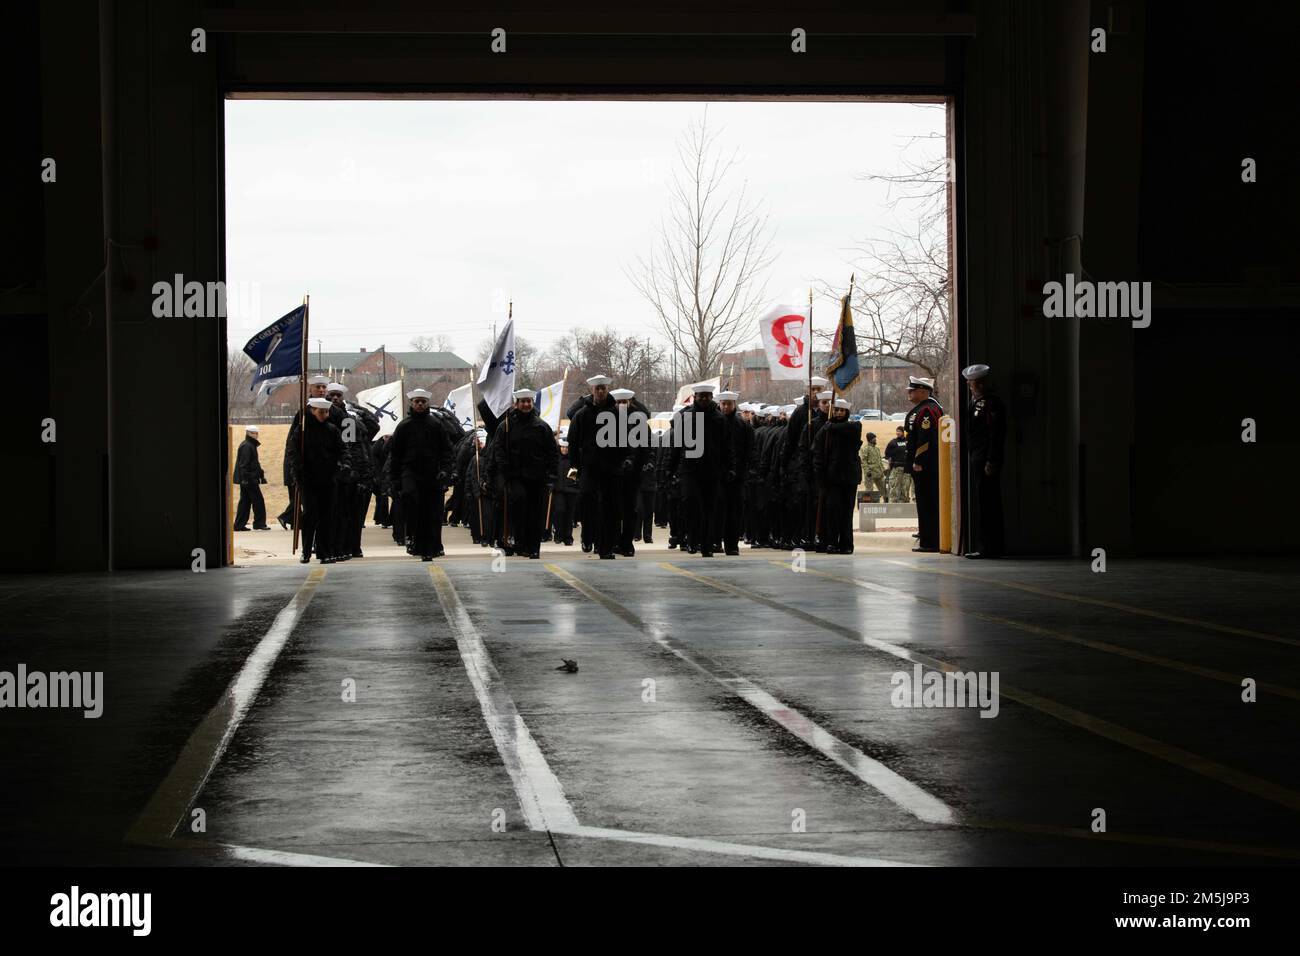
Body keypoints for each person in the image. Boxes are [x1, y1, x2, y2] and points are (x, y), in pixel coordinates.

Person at [485, 388, 558, 559]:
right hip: (515, 477)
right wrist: (506, 471)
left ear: (532, 403)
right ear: (516, 404)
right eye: (522, 401)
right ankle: (518, 541)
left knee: (535, 513)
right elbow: (499, 450)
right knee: (519, 505)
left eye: (528, 401)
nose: (526, 404)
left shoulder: (542, 426)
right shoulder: (506, 426)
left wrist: (552, 476)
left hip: (537, 478)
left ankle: (533, 548)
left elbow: (552, 453)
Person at [389, 388, 453, 561]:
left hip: (432, 473)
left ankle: (430, 546)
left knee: (431, 512)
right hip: (410, 472)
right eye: (417, 401)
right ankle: (414, 539)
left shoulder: (436, 425)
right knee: (411, 502)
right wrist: (395, 480)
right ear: (412, 403)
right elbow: (395, 455)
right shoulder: (403, 426)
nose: (420, 404)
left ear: (427, 404)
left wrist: (445, 471)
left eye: (423, 402)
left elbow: (447, 451)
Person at [567, 374, 623, 559]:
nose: (600, 391)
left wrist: (624, 461)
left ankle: (604, 546)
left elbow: (625, 441)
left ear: (607, 391)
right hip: (588, 470)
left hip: (611, 469)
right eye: (597, 388)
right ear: (592, 391)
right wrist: (575, 469)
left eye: (603, 389)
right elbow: (573, 444)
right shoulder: (581, 415)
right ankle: (587, 535)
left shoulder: (616, 414)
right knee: (588, 502)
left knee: (609, 509)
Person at [675, 382, 729, 557]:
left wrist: (728, 468)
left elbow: (727, 447)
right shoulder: (686, 417)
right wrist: (671, 469)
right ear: (695, 398)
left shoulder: (719, 419)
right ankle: (692, 540)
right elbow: (676, 446)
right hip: (690, 471)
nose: (704, 399)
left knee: (709, 509)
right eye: (701, 396)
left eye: (707, 396)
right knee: (691, 505)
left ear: (711, 398)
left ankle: (706, 544)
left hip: (712, 471)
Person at [290, 396, 343, 563]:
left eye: (326, 411)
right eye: (321, 412)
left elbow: (341, 451)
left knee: (327, 517)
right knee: (310, 516)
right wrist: (299, 473)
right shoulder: (302, 431)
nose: (324, 415)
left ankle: (324, 552)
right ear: (312, 411)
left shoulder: (332, 430)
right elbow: (293, 453)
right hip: (309, 480)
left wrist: (342, 466)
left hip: (328, 479)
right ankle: (306, 551)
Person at [962, 363, 1007, 559]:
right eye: (972, 383)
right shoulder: (975, 402)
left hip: (985, 459)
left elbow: (996, 434)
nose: (972, 386)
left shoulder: (991, 403)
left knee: (989, 503)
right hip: (977, 457)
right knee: (983, 502)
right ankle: (986, 545)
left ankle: (990, 546)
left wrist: (992, 460)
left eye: (974, 383)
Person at [278, 374, 330, 529]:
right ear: (310, 389)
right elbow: (292, 444)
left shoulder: (332, 412)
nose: (321, 390)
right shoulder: (303, 415)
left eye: (323, 387)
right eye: (318, 387)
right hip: (306, 468)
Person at [813, 398, 863, 553]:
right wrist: (820, 475)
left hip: (849, 477)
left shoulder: (852, 426)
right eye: (836, 410)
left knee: (847, 513)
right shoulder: (825, 430)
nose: (839, 413)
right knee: (833, 511)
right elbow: (817, 452)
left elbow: (853, 428)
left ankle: (847, 544)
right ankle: (832, 542)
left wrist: (832, 427)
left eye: (842, 410)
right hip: (832, 477)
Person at [903, 376, 944, 552]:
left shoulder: (928, 410)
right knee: (923, 502)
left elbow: (925, 439)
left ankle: (932, 541)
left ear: (923, 391)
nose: (909, 393)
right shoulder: (920, 409)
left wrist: (919, 461)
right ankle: (926, 537)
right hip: (918, 465)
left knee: (929, 502)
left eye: (912, 390)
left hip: (926, 466)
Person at [718, 391, 753, 556]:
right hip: (718, 475)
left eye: (728, 404)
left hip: (738, 476)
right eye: (723, 404)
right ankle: (715, 542)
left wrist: (745, 471)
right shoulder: (714, 422)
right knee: (717, 510)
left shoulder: (743, 425)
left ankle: (732, 544)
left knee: (734, 511)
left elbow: (750, 450)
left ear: (734, 405)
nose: (725, 407)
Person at [233, 425, 270, 531]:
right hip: (249, 479)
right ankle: (259, 523)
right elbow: (244, 464)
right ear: (249, 433)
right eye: (255, 433)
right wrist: (246, 478)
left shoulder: (248, 445)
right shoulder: (248, 446)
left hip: (247, 479)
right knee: (258, 501)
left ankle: (239, 525)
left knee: (245, 502)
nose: (257, 435)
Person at [552, 436, 579, 546]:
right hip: (558, 490)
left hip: (571, 491)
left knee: (569, 514)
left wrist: (573, 483)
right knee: (559, 511)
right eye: (562, 447)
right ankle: (558, 535)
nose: (564, 449)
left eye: (566, 448)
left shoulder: (573, 460)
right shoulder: (555, 459)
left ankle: (568, 537)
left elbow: (574, 475)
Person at [885, 426, 911, 504]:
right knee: (894, 488)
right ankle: (892, 505)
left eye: (899, 431)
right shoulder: (893, 442)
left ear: (903, 432)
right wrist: (890, 464)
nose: (898, 432)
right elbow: (887, 455)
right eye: (897, 431)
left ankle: (904, 506)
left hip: (906, 469)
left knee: (905, 488)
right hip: (896, 469)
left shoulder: (908, 441)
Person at [860, 432, 888, 502]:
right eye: (873, 438)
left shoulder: (877, 449)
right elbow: (863, 461)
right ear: (869, 439)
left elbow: (879, 461)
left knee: (884, 490)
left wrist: (883, 470)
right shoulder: (865, 449)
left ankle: (887, 503)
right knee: (869, 491)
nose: (875, 439)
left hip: (879, 473)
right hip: (870, 474)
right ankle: (869, 505)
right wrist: (867, 471)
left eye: (875, 438)